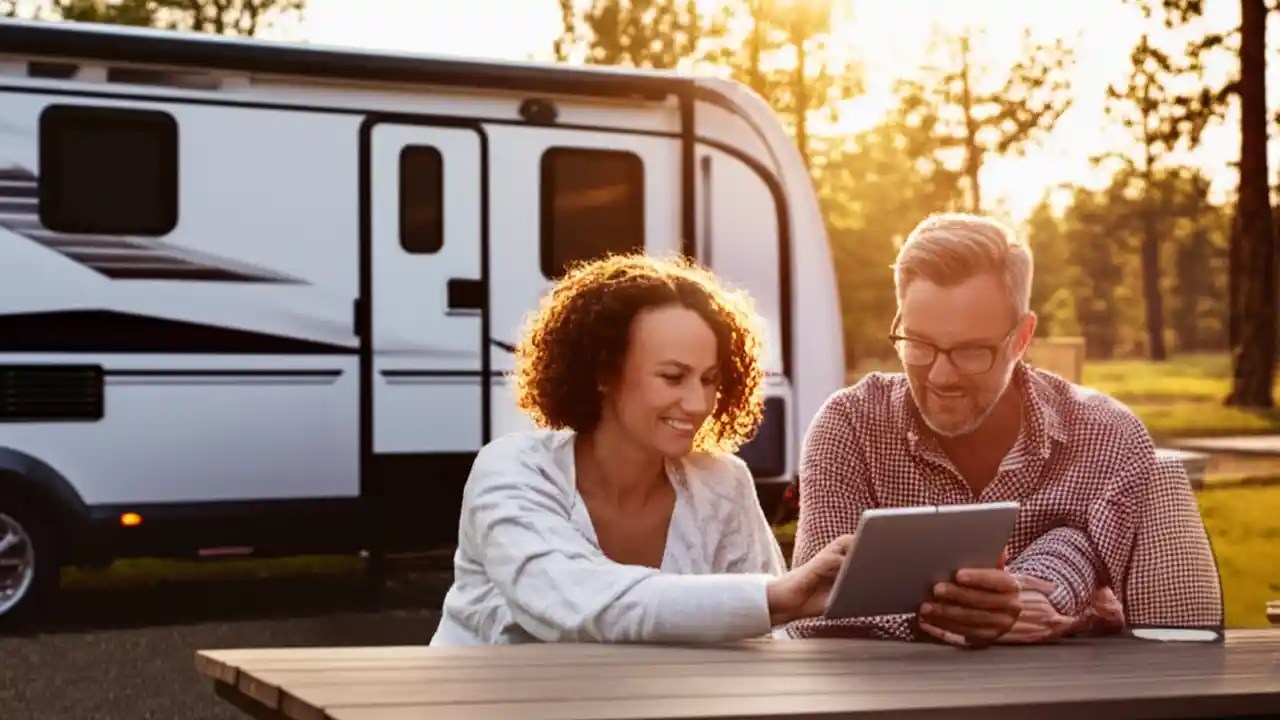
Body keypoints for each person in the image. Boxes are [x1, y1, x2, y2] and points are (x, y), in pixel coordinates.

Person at [784, 212, 1223, 647]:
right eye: (918, 344)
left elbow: (1179, 642)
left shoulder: (1108, 436)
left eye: (972, 351)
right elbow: (815, 618)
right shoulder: (851, 426)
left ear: (1022, 338)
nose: (940, 376)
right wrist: (959, 619)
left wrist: (1066, 608)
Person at [430, 253, 853, 646]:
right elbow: (576, 605)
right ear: (603, 373)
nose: (698, 403)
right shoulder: (513, 470)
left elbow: (761, 643)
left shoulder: (723, 483)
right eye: (673, 377)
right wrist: (774, 598)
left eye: (709, 379)